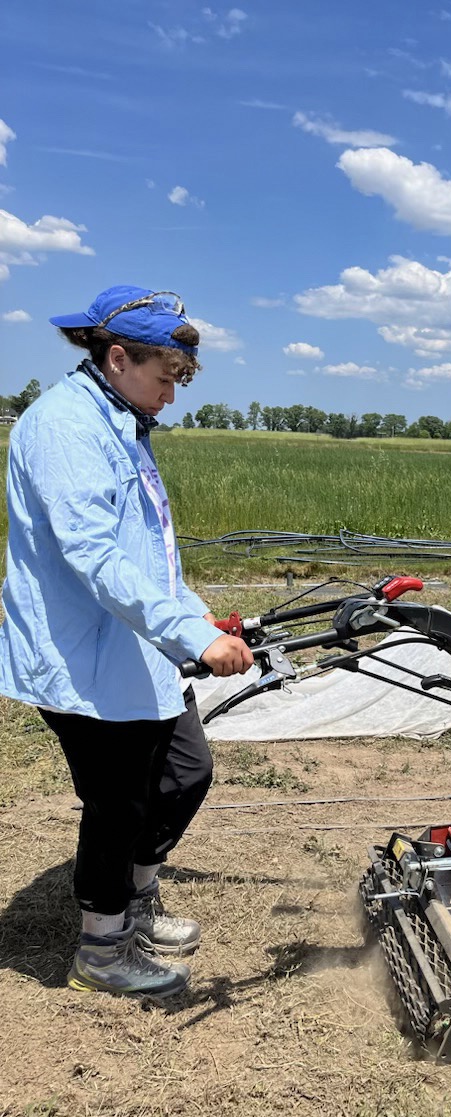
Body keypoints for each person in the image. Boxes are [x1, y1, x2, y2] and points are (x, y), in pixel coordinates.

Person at [0, 285, 254, 998]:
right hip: (85, 655)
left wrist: (201, 622)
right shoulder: (64, 429)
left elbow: (149, 555)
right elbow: (97, 558)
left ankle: (136, 904)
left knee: (184, 773)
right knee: (121, 803)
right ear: (117, 357)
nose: (170, 397)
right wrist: (188, 635)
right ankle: (102, 951)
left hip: (136, 644)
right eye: (164, 379)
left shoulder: (122, 422)